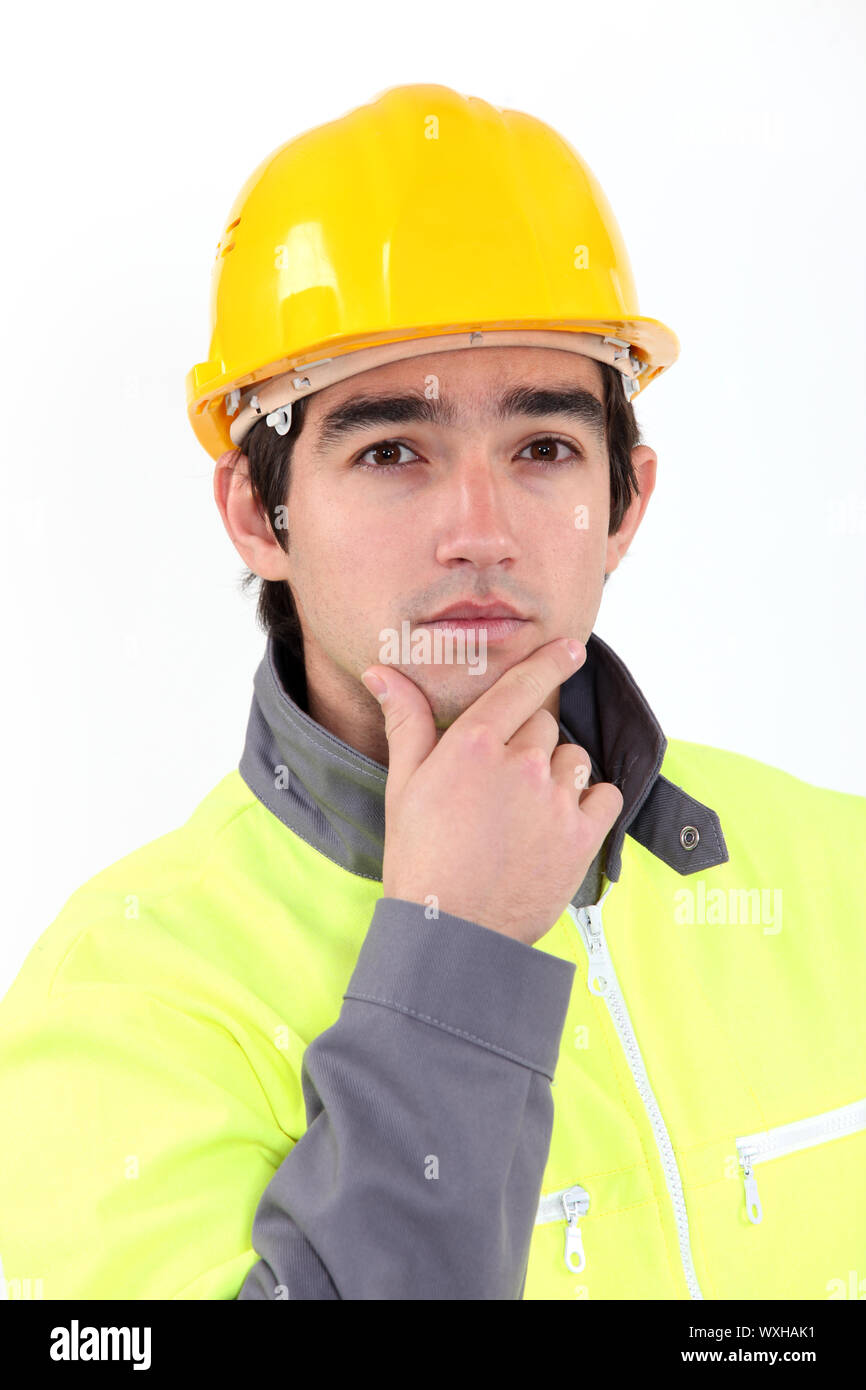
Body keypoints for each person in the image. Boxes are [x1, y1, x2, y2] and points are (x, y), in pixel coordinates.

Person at [1, 83, 864, 1303]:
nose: (479, 531)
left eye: (543, 448)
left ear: (624, 504)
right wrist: (450, 955)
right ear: (261, 513)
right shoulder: (127, 1002)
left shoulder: (835, 875)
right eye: (391, 451)